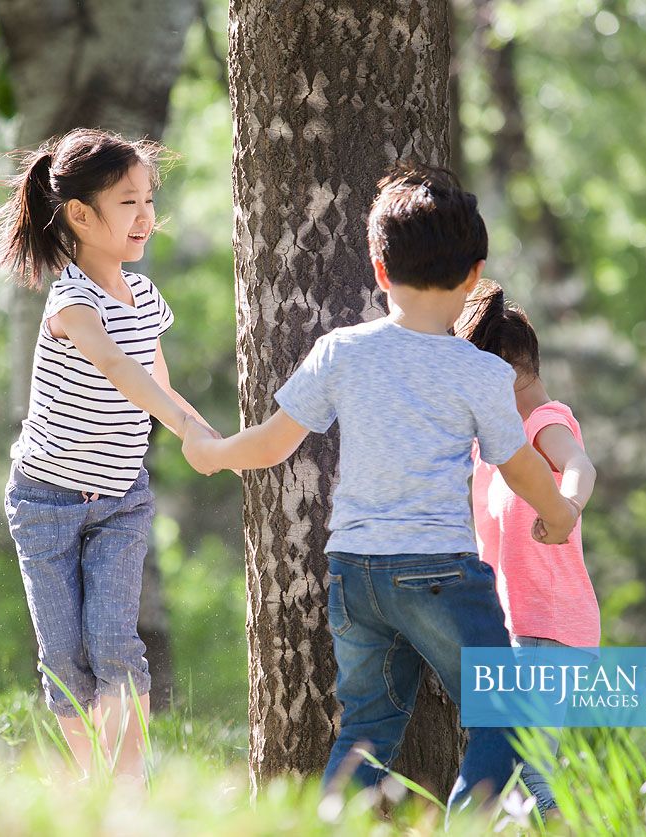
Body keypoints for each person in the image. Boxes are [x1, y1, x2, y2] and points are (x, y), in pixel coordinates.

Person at [181, 163, 579, 810]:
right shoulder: (480, 373)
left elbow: (272, 442)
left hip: (355, 572)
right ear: (475, 274)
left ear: (379, 268)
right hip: (438, 573)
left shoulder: (342, 351)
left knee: (366, 729)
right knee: (506, 717)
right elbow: (519, 466)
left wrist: (211, 452)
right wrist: (558, 513)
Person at [0, 128, 213, 780]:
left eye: (148, 200)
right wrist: (183, 425)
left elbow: (160, 384)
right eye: (127, 203)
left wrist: (205, 436)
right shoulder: (72, 301)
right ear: (81, 216)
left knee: (115, 644)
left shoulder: (146, 298)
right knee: (63, 657)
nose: (145, 216)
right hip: (45, 501)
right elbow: (117, 367)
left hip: (119, 500)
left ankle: (129, 787)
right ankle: (95, 789)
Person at [456, 279, 599, 812]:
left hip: (547, 627)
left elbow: (580, 465)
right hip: (518, 629)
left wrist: (568, 508)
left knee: (530, 772)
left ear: (509, 374)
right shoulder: (495, 445)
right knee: (509, 775)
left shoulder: (544, 423)